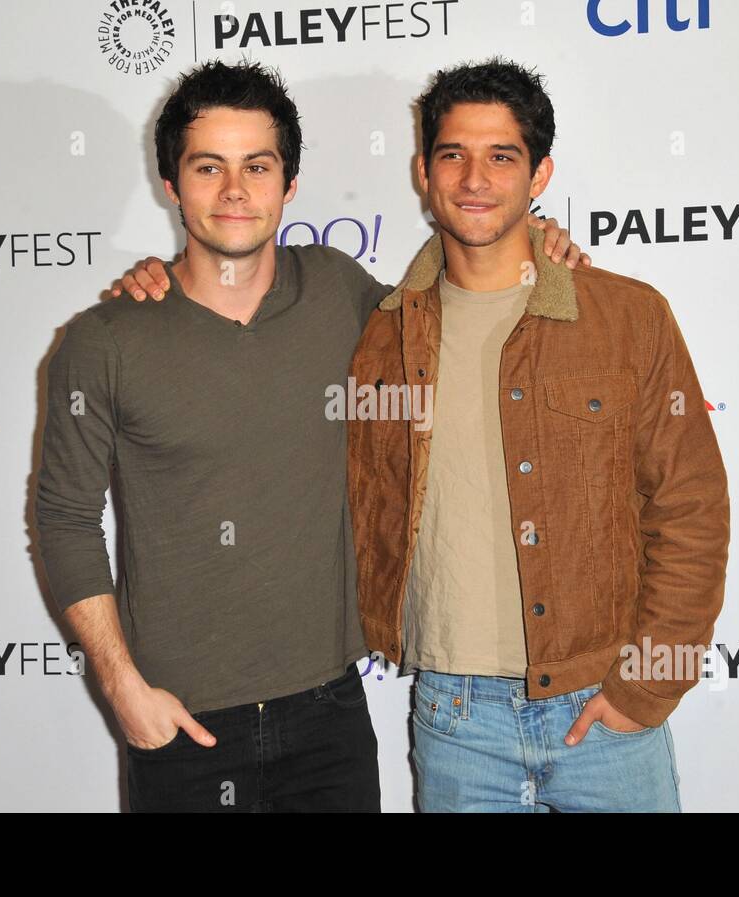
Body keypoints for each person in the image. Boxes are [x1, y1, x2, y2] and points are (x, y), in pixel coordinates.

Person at [37, 59, 586, 813]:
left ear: (289, 184)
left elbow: (449, 308)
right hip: (179, 721)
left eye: (257, 166)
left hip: (331, 713)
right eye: (208, 167)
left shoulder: (337, 291)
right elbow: (64, 519)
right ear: (171, 183)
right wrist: (123, 688)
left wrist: (532, 238)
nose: (235, 190)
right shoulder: (105, 339)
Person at [346, 58, 731, 812]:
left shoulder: (627, 317)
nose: (475, 179)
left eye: (502, 156)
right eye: (453, 155)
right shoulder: (381, 333)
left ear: (539, 174)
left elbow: (690, 507)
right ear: (423, 172)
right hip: (454, 717)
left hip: (604, 706)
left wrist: (646, 687)